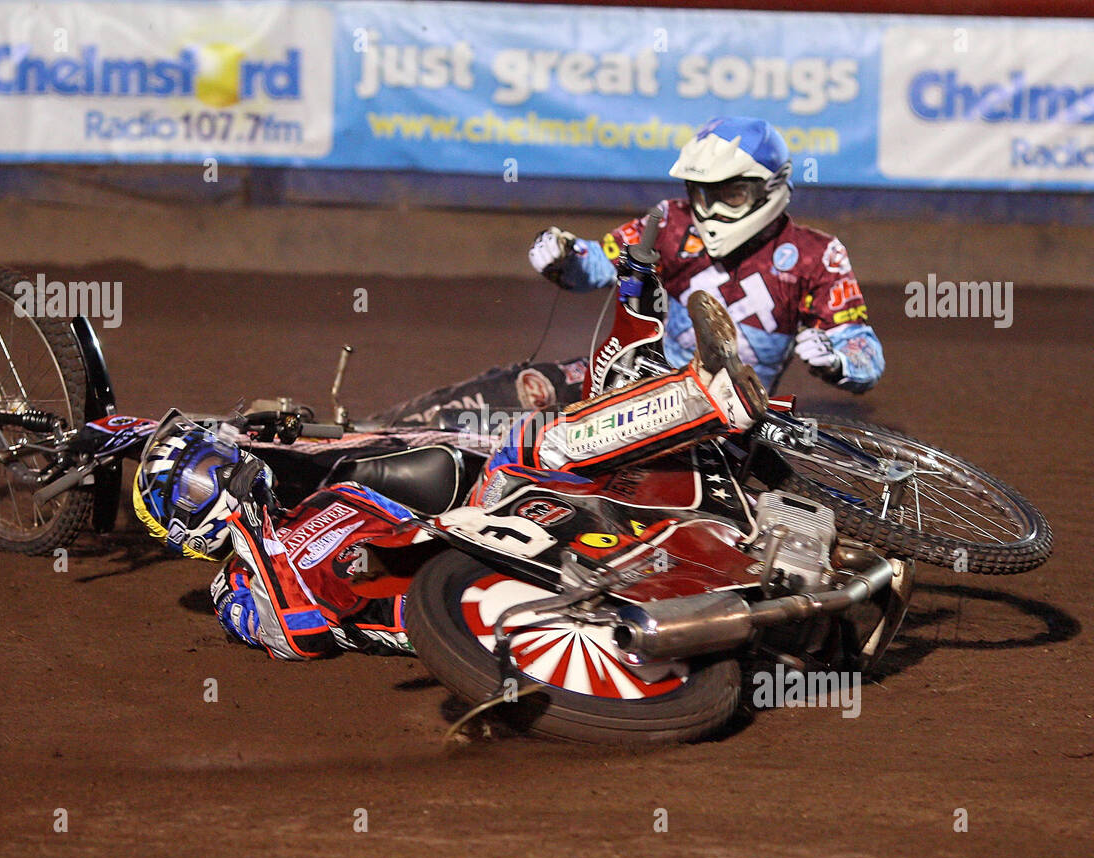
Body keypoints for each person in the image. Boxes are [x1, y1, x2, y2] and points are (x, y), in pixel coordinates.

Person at [133, 292, 769, 662]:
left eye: (216, 461)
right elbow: (302, 633)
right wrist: (250, 532)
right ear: (189, 529)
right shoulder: (237, 589)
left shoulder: (302, 507)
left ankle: (705, 451)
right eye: (201, 479)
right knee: (533, 446)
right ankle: (703, 396)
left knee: (543, 447)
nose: (227, 474)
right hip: (451, 609)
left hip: (471, 535)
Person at [529, 116, 884, 396]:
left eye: (731, 196)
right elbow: (599, 263)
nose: (712, 210)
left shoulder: (817, 256)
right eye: (703, 195)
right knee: (530, 387)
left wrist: (839, 361)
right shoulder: (671, 221)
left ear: (772, 187)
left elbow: (861, 348)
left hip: (733, 419)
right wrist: (565, 255)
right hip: (643, 389)